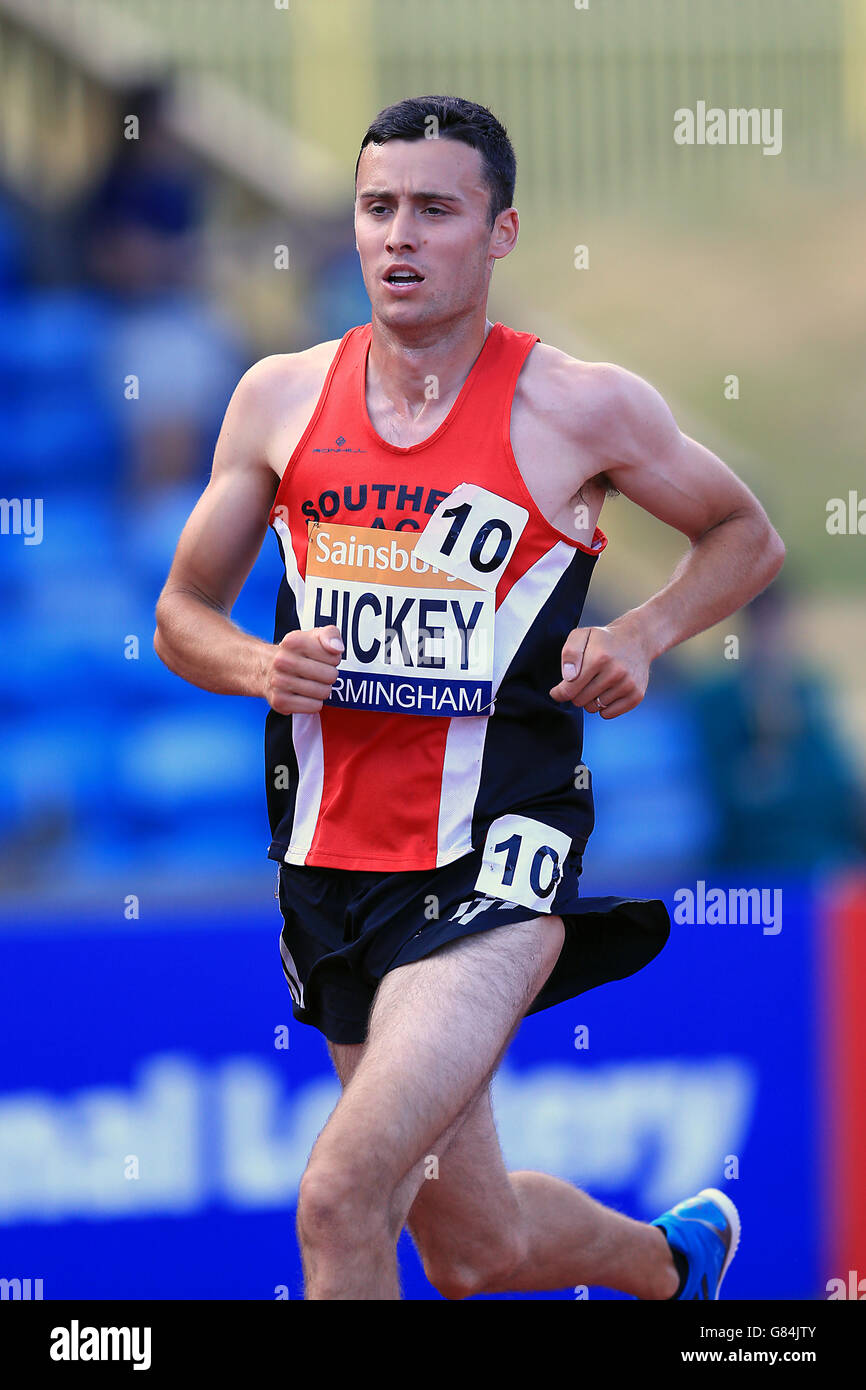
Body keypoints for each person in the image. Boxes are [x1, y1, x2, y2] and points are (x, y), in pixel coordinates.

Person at [153, 95, 784, 1300]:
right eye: (377, 206)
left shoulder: (578, 406)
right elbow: (180, 616)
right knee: (471, 1248)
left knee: (342, 1194)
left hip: (499, 853)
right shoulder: (280, 398)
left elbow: (742, 535)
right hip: (331, 866)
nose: (399, 236)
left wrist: (643, 634)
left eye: (434, 210)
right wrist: (254, 664)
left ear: (498, 233)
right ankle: (672, 1262)